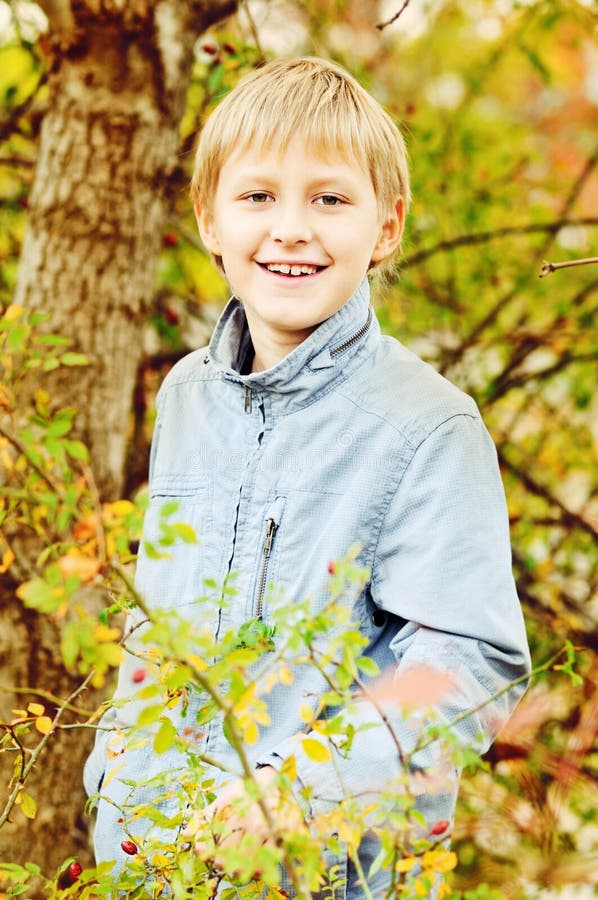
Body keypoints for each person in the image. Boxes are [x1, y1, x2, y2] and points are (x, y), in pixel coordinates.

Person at [84, 57, 530, 897]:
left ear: (386, 226)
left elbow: (469, 662)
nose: (291, 228)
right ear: (209, 219)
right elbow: (157, 624)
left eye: (329, 198)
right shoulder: (187, 396)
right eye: (257, 196)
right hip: (148, 870)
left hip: (314, 876)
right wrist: (115, 794)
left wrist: (297, 795)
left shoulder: (426, 426)